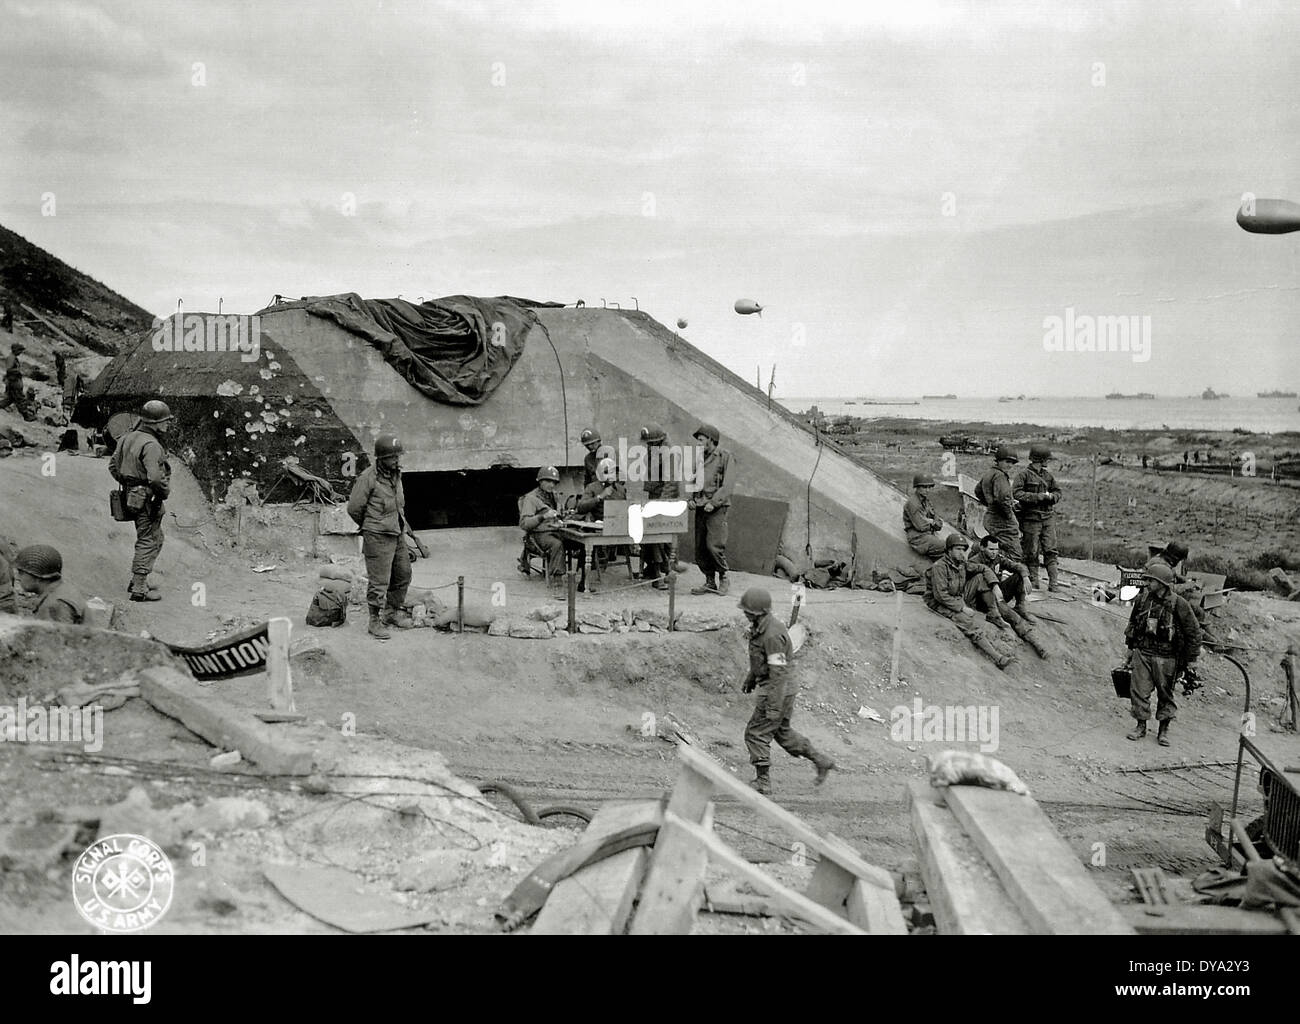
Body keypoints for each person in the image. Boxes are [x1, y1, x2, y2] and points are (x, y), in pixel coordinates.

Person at [732, 587, 835, 795]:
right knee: (782, 733)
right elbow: (763, 660)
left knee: (756, 733)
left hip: (776, 689)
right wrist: (752, 677)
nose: (744, 613)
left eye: (747, 611)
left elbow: (777, 673)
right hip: (780, 688)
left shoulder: (771, 635)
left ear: (757, 612)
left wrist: (773, 705)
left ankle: (763, 782)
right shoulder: (763, 627)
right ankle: (821, 760)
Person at [1124, 561, 1201, 746]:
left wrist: (1192, 659)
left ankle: (1163, 730)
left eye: (1151, 580)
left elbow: (1193, 632)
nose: (1148, 583)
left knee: (1165, 695)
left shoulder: (1179, 604)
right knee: (1139, 691)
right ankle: (1140, 726)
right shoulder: (1143, 600)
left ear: (1162, 583)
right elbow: (1133, 624)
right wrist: (1129, 648)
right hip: (1143, 652)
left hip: (1167, 657)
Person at [347, 435, 414, 640]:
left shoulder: (396, 475)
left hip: (396, 532)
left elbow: (398, 504)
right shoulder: (368, 478)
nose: (396, 460)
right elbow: (354, 508)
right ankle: (374, 621)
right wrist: (371, 526)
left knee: (403, 574)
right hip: (377, 536)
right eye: (392, 457)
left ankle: (391, 613)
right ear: (381, 458)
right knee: (379, 581)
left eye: (398, 456)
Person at [109, 400, 173, 601]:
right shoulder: (152, 445)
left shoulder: (126, 438)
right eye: (165, 421)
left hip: (131, 495)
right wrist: (163, 492)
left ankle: (140, 579)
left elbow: (113, 466)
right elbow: (155, 477)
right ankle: (139, 588)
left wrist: (129, 483)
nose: (167, 425)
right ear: (155, 424)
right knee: (149, 539)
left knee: (156, 537)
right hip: (147, 498)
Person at [923, 534, 1013, 669]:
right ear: (949, 550)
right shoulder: (939, 567)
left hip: (958, 596)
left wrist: (994, 584)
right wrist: (962, 608)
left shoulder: (961, 563)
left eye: (963, 549)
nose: (961, 552)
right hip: (939, 602)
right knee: (967, 623)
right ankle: (998, 658)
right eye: (958, 549)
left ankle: (994, 613)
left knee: (981, 577)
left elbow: (983, 568)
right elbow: (940, 596)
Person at [964, 536, 1048, 659]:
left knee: (1018, 575)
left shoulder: (997, 559)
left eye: (996, 549)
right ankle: (1036, 643)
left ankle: (1020, 605)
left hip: (996, 593)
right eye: (991, 549)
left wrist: (1025, 577)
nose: (994, 552)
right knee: (1012, 616)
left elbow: (1017, 566)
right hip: (982, 599)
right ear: (982, 548)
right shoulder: (974, 562)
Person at [687, 423, 735, 596]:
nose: (698, 444)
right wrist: (691, 500)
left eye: (701, 440)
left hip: (717, 508)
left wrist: (714, 503)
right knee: (700, 548)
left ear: (711, 440)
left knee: (714, 546)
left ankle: (723, 577)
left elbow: (728, 485)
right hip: (700, 507)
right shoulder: (699, 458)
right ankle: (709, 581)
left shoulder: (725, 457)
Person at [1013, 443, 1061, 591]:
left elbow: (1058, 492)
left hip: (1047, 518)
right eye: (1046, 459)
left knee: (1051, 550)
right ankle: (1034, 581)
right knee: (1031, 552)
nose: (1048, 462)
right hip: (1031, 519)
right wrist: (1036, 497)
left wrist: (1052, 497)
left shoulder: (1048, 476)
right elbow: (1016, 493)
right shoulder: (1023, 475)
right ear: (1040, 459)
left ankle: (1053, 583)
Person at [639, 423, 681, 590]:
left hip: (666, 499)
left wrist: (661, 505)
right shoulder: (654, 450)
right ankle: (653, 568)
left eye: (651, 443)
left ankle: (661, 572)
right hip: (654, 496)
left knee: (657, 534)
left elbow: (671, 483)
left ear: (659, 441)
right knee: (648, 531)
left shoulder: (669, 453)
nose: (648, 446)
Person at [518, 465, 567, 595]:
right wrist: (543, 516)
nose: (551, 485)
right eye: (548, 481)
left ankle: (583, 583)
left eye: (554, 482)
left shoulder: (554, 496)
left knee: (578, 542)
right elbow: (524, 523)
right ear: (540, 481)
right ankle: (557, 582)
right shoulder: (531, 498)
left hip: (555, 531)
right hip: (538, 535)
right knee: (557, 545)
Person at [13, 545, 85, 624]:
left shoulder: (55, 604)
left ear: (37, 576)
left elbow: (57, 635)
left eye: (21, 573)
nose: (18, 577)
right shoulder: (62, 590)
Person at [976, 446, 1022, 559]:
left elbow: (978, 491)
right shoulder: (1000, 476)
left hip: (991, 517)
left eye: (1012, 463)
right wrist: (1009, 515)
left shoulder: (989, 473)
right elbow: (1003, 499)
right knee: (1015, 554)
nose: (1010, 465)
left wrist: (990, 504)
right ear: (999, 461)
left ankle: (986, 559)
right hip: (1002, 520)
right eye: (1007, 462)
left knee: (997, 546)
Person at [903, 474, 946, 558]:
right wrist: (932, 523)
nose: (927, 490)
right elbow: (921, 526)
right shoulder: (913, 503)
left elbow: (939, 523)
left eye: (929, 487)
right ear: (917, 487)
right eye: (924, 487)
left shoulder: (926, 501)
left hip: (927, 534)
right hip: (917, 537)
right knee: (946, 546)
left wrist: (931, 522)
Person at [0, 341, 28, 416]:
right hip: (13, 381)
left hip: (14, 380)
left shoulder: (14, 358)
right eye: (20, 350)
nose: (20, 352)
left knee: (10, 399)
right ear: (16, 350)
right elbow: (9, 370)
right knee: (20, 398)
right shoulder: (11, 358)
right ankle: (26, 415)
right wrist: (18, 371)